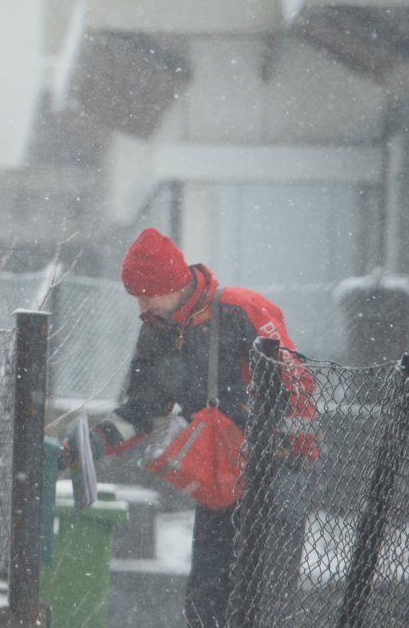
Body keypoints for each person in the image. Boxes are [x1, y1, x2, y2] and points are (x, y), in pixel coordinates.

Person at [64, 228, 311, 627]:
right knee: (206, 598)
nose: (143, 306)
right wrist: (97, 440)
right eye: (137, 297)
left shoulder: (241, 310)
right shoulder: (157, 330)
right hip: (220, 476)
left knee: (265, 598)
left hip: (277, 473)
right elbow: (144, 407)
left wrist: (275, 451)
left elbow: (296, 386)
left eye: (148, 294)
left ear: (174, 283)